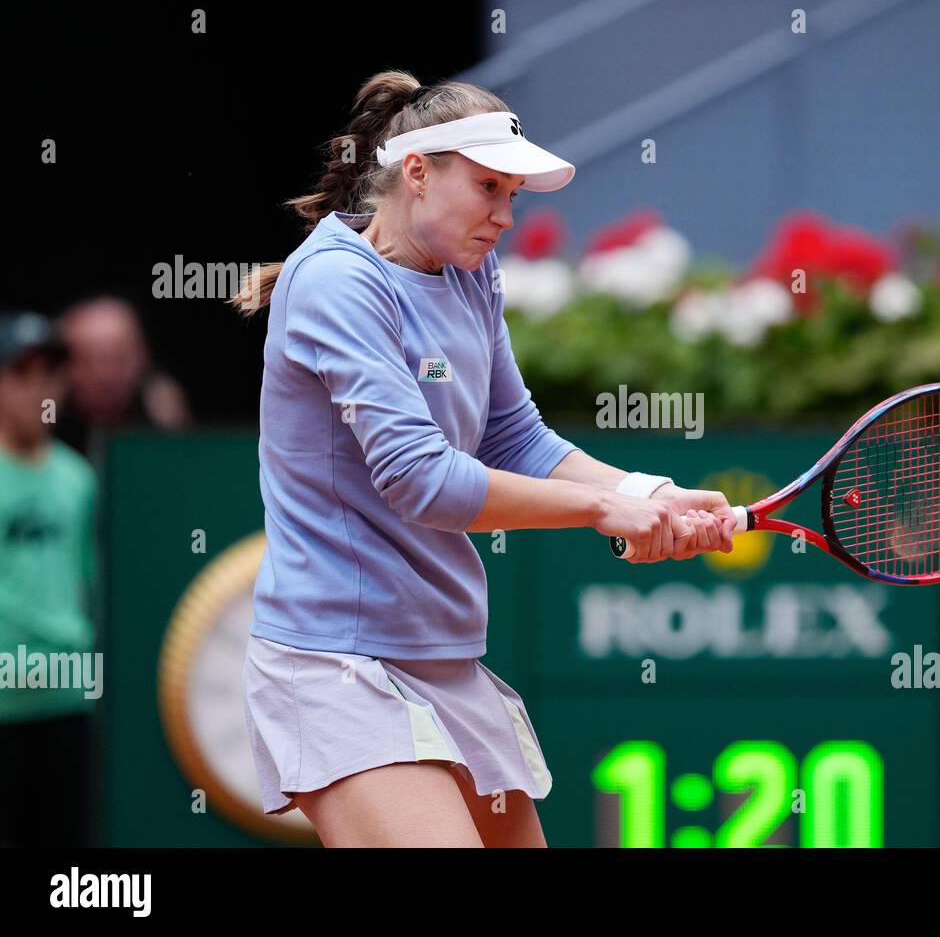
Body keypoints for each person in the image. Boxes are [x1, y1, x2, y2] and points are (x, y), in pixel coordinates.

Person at [231, 72, 738, 847]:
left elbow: (514, 439)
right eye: (489, 188)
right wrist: (606, 511)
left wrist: (652, 492)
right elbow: (422, 480)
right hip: (337, 662)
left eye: (514, 195)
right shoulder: (336, 282)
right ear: (418, 171)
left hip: (444, 654)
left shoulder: (472, 272)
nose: (505, 216)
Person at [0, 312, 98, 847]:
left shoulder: (78, 480)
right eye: (22, 374)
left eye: (50, 375)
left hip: (68, 704)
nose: (39, 390)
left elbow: (89, 587)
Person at [54, 296, 191, 458]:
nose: (104, 376)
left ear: (142, 356)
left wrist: (172, 427)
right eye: (87, 360)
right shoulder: (49, 408)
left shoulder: (159, 408)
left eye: (117, 359)